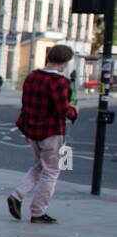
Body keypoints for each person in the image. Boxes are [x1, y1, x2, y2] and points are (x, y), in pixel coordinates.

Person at [8, 44, 78, 225]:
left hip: (32, 130)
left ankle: (17, 195)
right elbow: (62, 109)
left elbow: (25, 104)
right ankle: (38, 211)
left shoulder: (32, 77)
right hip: (51, 131)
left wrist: (24, 126)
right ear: (64, 61)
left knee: (39, 165)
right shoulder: (58, 82)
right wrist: (74, 111)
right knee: (52, 171)